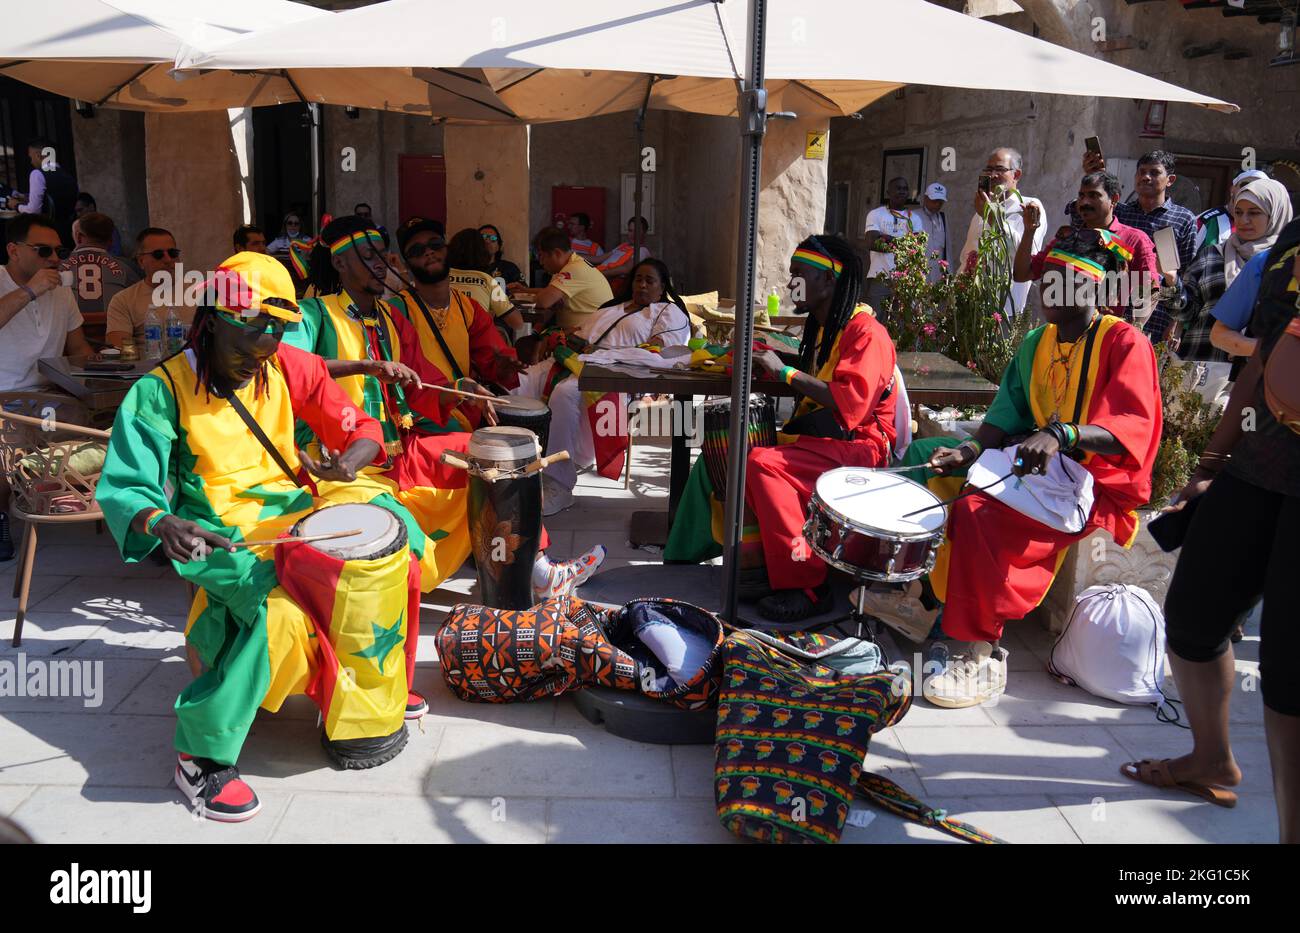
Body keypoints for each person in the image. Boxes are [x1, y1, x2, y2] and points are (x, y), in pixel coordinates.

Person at [96, 252, 424, 821]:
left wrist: (352, 460)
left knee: (396, 545)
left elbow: (362, 427)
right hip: (216, 531)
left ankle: (361, 687)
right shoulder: (158, 392)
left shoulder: (286, 365)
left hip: (295, 507)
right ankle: (201, 753)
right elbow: (127, 484)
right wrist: (161, 521)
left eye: (276, 335)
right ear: (212, 319)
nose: (263, 352)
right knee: (283, 614)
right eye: (250, 335)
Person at [879, 231, 1161, 708]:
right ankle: (919, 596)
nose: (1049, 290)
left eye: (1064, 281)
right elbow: (1005, 417)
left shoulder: (1124, 342)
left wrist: (1062, 435)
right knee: (921, 461)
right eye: (1046, 278)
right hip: (1028, 465)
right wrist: (967, 453)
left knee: (975, 512)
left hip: (1087, 483)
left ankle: (979, 648)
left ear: (1093, 289)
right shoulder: (1037, 341)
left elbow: (1131, 427)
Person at [284, 215, 604, 600]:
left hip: (399, 449)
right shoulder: (314, 315)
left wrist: (458, 388)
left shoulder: (391, 318)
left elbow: (420, 383)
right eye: (367, 256)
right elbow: (285, 363)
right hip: (338, 458)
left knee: (498, 460)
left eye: (382, 256)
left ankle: (536, 573)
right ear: (339, 263)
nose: (379, 265)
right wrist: (362, 366)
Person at [1124, 218, 1300, 841]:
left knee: (1289, 677)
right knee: (1194, 618)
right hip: (1257, 466)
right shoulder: (1295, 239)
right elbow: (1268, 354)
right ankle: (1210, 757)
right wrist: (1210, 464)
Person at [665, 235, 899, 622]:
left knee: (762, 463)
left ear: (829, 282)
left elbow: (851, 404)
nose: (792, 284)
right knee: (729, 456)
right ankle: (754, 568)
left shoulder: (865, 332)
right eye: (791, 274)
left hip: (862, 447)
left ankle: (806, 583)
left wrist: (783, 371)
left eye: (800, 275)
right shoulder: (827, 328)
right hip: (826, 439)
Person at [513, 257, 692, 515]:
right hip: (567, 363)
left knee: (565, 393)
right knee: (511, 386)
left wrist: (605, 354)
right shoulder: (613, 308)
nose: (641, 285)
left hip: (610, 375)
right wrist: (551, 338)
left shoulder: (666, 312)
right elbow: (578, 332)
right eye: (637, 279)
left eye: (649, 280)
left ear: (662, 286)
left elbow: (663, 352)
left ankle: (559, 485)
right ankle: (513, 471)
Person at [0, 214, 93, 561]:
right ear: (13, 250)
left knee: (101, 431)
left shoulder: (62, 292)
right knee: (6, 445)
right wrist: (29, 291)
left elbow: (78, 349)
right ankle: (3, 515)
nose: (55, 258)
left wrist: (106, 365)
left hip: (50, 395)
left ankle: (73, 499)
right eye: (44, 250)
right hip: (4, 396)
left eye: (59, 250)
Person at [1161, 177, 1292, 411]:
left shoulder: (1285, 268)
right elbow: (1187, 313)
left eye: (1254, 213)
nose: (1243, 220)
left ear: (1275, 215)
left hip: (1256, 376)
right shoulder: (1213, 255)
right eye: (1239, 212)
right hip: (1199, 370)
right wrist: (1172, 284)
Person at [387, 219, 524, 432]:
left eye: (435, 244)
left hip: (465, 414)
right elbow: (407, 381)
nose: (428, 252)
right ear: (406, 263)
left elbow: (492, 356)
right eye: (417, 250)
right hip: (420, 419)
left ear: (447, 250)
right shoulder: (396, 310)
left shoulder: (469, 307)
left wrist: (503, 366)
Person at [1079, 150, 1198, 342]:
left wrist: (1175, 323)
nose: (1146, 177)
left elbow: (1186, 275)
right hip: (1111, 308)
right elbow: (1083, 220)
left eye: (1154, 172)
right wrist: (1093, 178)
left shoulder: (1183, 220)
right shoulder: (1119, 212)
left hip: (1157, 316)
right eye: (1141, 172)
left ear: (1170, 180)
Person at [1015, 172, 1159, 325]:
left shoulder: (1134, 240)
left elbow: (1150, 291)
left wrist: (1134, 330)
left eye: (1093, 195)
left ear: (1114, 199)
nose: (1084, 202)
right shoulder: (1067, 238)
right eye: (1081, 196)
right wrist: (1029, 231)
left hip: (1105, 336)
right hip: (1063, 336)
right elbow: (1022, 274)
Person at [958, 147, 1046, 317]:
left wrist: (991, 217)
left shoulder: (1029, 207)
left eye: (999, 169)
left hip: (1003, 312)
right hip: (969, 307)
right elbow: (967, 256)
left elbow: (1025, 258)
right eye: (988, 169)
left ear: (1017, 175)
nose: (992, 175)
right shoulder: (982, 208)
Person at [508, 227, 614, 331]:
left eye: (542, 256)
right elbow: (550, 293)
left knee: (525, 345)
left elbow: (543, 301)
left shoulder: (573, 269)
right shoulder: (568, 266)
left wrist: (516, 299)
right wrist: (524, 291)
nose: (541, 262)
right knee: (528, 343)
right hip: (579, 333)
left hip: (588, 339)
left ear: (557, 253)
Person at [105, 228, 193, 349]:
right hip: (148, 365)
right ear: (141, 261)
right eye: (158, 255)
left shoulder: (201, 292)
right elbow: (118, 347)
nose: (168, 260)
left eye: (173, 253)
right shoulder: (123, 300)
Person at [60, 212, 139, 328]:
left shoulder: (56, 267)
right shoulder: (128, 267)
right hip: (115, 331)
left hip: (70, 335)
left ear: (78, 237)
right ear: (111, 240)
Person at [863, 176, 920, 320]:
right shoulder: (876, 214)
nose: (902, 191)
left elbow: (916, 247)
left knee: (900, 324)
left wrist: (885, 237)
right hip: (879, 277)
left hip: (905, 280)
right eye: (898, 188)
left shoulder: (914, 218)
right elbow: (872, 243)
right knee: (875, 321)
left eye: (905, 189)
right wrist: (905, 242)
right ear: (888, 192)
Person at [443, 226, 520, 331]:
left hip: (441, 339)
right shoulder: (488, 281)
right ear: (483, 253)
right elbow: (517, 323)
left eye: (492, 238)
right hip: (476, 341)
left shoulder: (438, 277)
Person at [5, 139, 78, 244]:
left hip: (49, 233)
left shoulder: (37, 174)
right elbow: (57, 197)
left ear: (39, 155)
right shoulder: (68, 176)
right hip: (68, 233)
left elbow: (34, 211)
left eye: (31, 157)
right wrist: (28, 197)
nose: (31, 161)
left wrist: (16, 205)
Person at [1194, 169, 1268, 256]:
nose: (1251, 190)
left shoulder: (1270, 224)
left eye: (1259, 187)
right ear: (1232, 189)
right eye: (1245, 185)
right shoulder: (1207, 221)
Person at [593, 216, 652, 293]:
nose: (633, 234)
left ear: (644, 232)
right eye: (630, 231)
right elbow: (599, 259)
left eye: (636, 231)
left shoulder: (642, 251)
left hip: (608, 284)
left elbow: (625, 269)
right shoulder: (623, 246)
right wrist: (575, 254)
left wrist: (597, 275)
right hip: (598, 277)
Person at [914, 183, 948, 283]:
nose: (937, 205)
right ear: (925, 198)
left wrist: (948, 273)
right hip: (919, 273)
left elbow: (947, 248)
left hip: (938, 272)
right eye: (934, 201)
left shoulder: (942, 217)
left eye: (940, 202)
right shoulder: (913, 216)